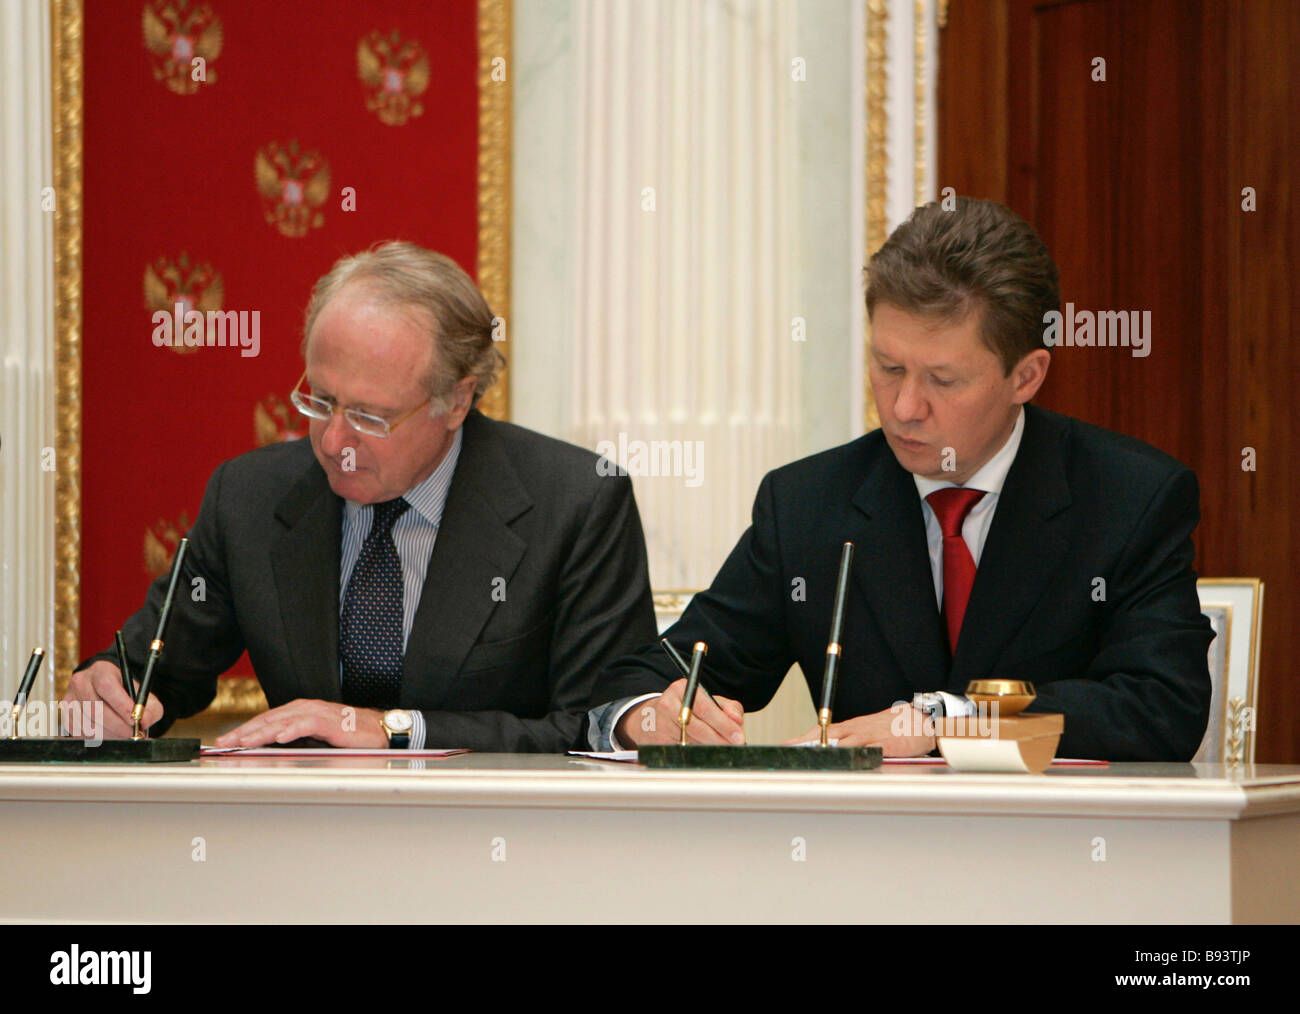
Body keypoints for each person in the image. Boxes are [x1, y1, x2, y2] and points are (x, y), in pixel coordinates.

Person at [588, 197, 1213, 761]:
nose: (904, 407)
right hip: (863, 864)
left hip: (1064, 860)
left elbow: (1160, 709)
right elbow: (657, 673)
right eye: (888, 368)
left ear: (1026, 376)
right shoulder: (808, 504)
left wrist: (950, 723)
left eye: (943, 380)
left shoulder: (1130, 498)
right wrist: (649, 714)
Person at [66, 242, 657, 752]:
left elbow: (595, 729)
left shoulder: (576, 503)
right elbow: (157, 673)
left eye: (371, 418)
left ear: (456, 400)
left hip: (498, 846)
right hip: (307, 848)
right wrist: (109, 688)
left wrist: (395, 730)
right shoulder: (248, 496)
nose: (332, 439)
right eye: (320, 400)